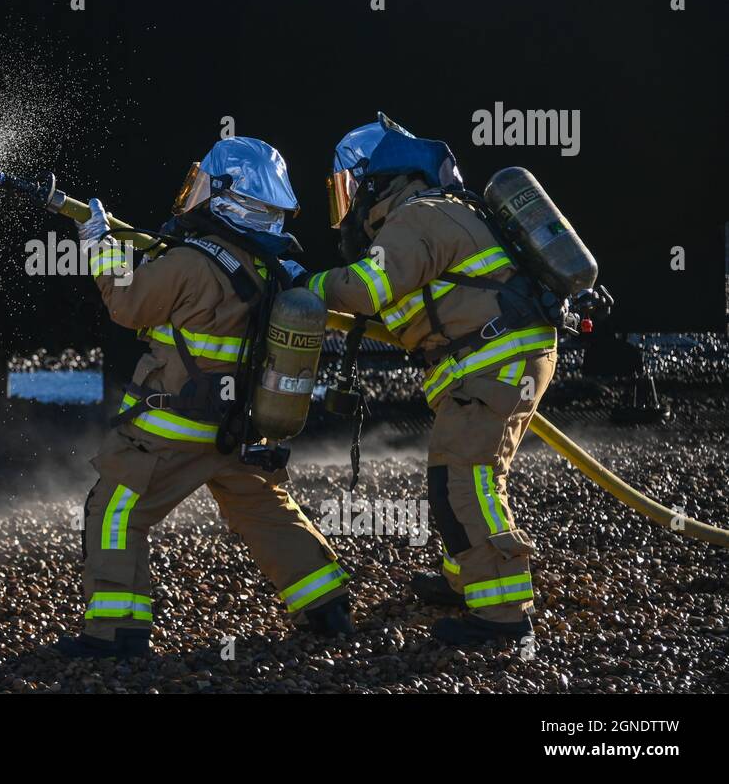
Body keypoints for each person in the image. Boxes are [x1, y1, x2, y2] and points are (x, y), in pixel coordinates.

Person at [55, 136, 353, 659]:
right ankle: (326, 606)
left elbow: (129, 304)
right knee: (262, 507)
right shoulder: (273, 268)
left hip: (175, 428)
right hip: (241, 427)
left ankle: (116, 631)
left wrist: (99, 243)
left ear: (225, 194)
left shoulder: (192, 262)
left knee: (115, 509)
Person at [303, 113, 556, 646]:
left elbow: (364, 290)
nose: (349, 203)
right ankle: (465, 579)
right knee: (453, 477)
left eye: (351, 187)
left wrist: (306, 286)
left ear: (376, 179)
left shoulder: (417, 217)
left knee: (468, 479)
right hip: (493, 361)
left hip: (493, 363)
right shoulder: (439, 210)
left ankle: (503, 615)